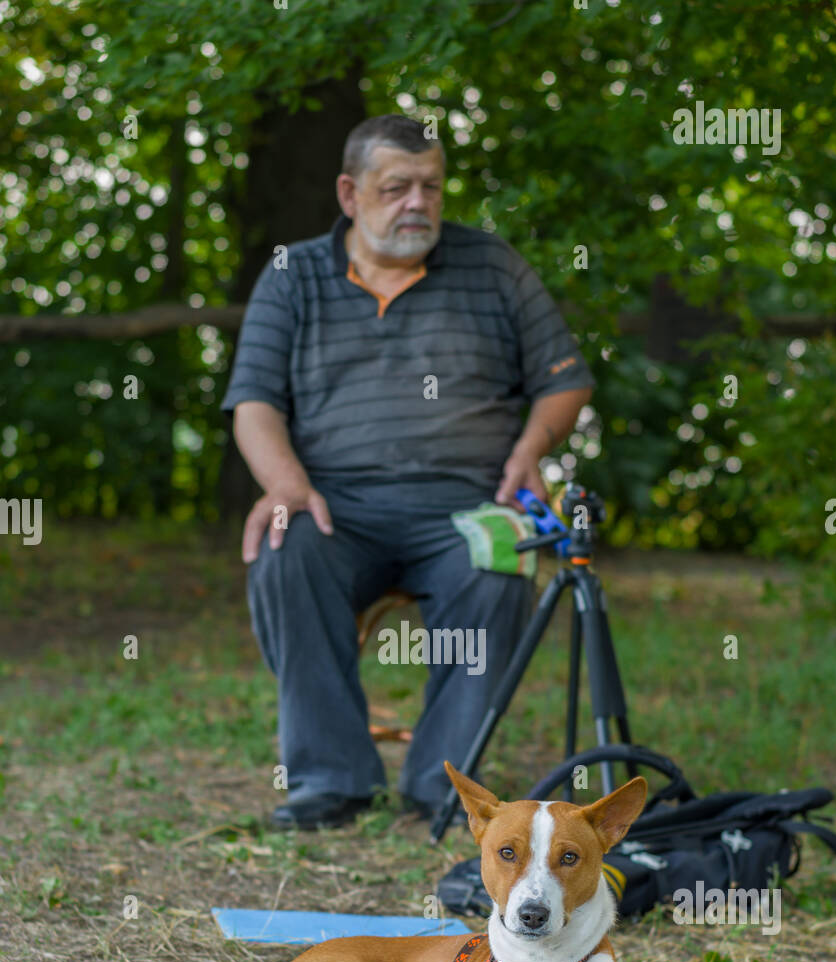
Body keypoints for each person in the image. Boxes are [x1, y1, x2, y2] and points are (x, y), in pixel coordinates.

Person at [221, 113, 594, 830]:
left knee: (501, 562)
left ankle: (445, 785)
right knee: (283, 549)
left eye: (431, 186)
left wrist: (530, 451)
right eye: (396, 188)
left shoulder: (493, 267)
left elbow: (564, 380)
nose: (417, 203)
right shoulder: (292, 275)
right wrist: (286, 485)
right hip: (336, 505)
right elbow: (254, 403)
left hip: (466, 505)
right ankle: (329, 781)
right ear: (349, 193)